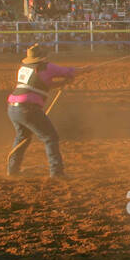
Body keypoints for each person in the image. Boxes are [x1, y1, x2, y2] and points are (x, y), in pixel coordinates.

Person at [7, 43, 77, 179]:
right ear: (43, 56)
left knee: (22, 138)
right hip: (28, 108)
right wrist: (87, 69)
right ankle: (56, 172)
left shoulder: (24, 68)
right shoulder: (47, 67)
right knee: (50, 137)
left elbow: (44, 84)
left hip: (13, 108)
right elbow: (69, 71)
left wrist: (62, 83)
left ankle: (13, 169)